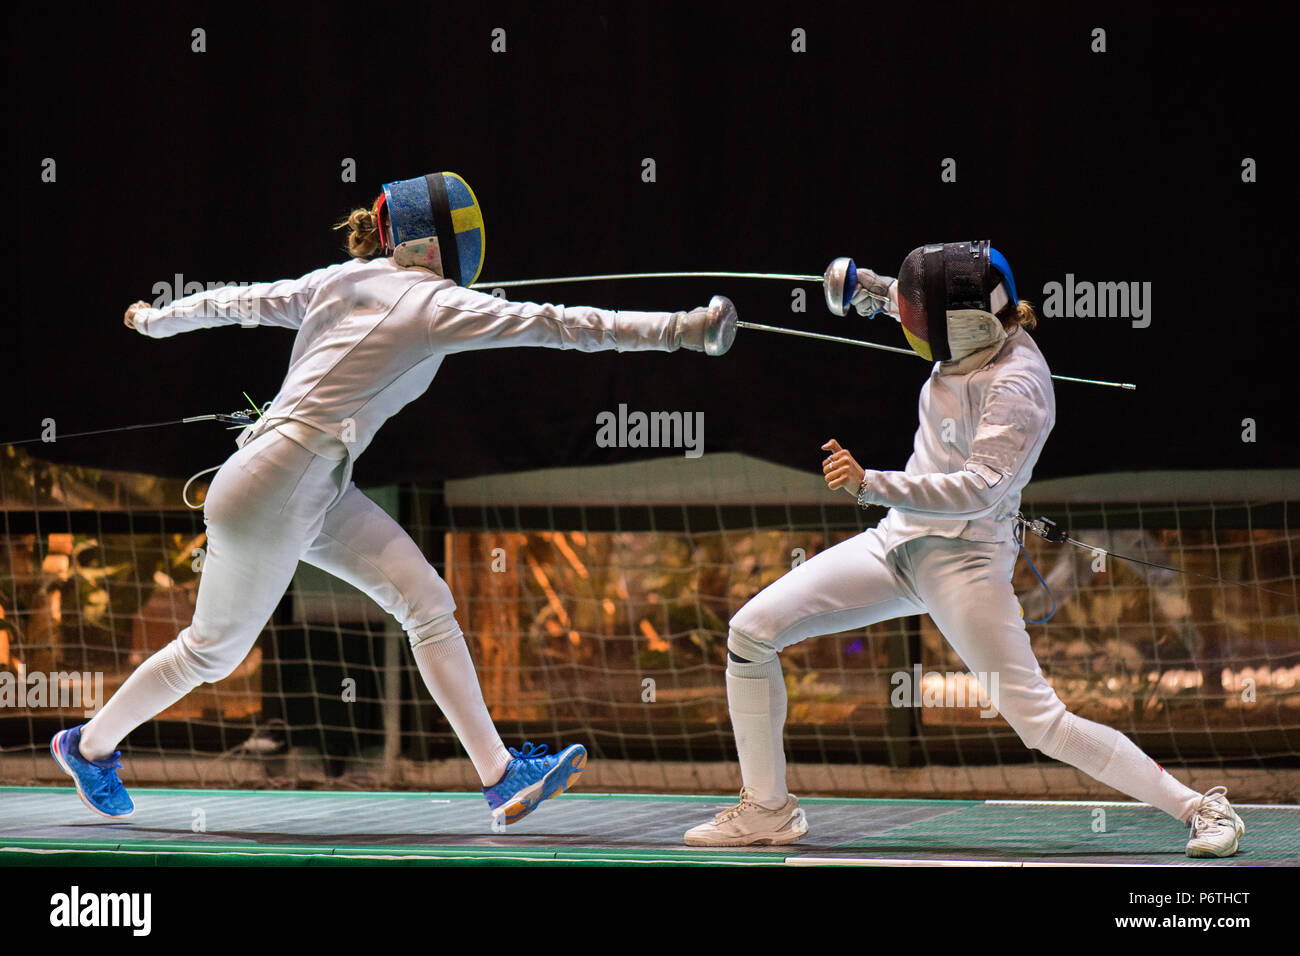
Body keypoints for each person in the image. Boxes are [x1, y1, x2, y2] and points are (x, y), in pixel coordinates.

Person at [50, 170, 737, 827]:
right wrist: (680, 330)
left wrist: (153, 320)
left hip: (310, 483)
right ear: (437, 243)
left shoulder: (344, 279)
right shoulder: (434, 302)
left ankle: (501, 776)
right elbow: (559, 324)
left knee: (426, 600)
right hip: (280, 482)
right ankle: (87, 749)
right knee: (211, 653)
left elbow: (235, 302)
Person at [684, 241, 1244, 858]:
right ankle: (767, 810)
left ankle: (1201, 808)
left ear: (966, 326)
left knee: (1040, 724)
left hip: (966, 564)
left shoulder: (1020, 385)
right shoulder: (973, 330)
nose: (910, 326)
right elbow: (915, 303)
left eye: (919, 320)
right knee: (751, 631)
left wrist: (871, 483)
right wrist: (864, 289)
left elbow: (978, 490)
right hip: (898, 543)